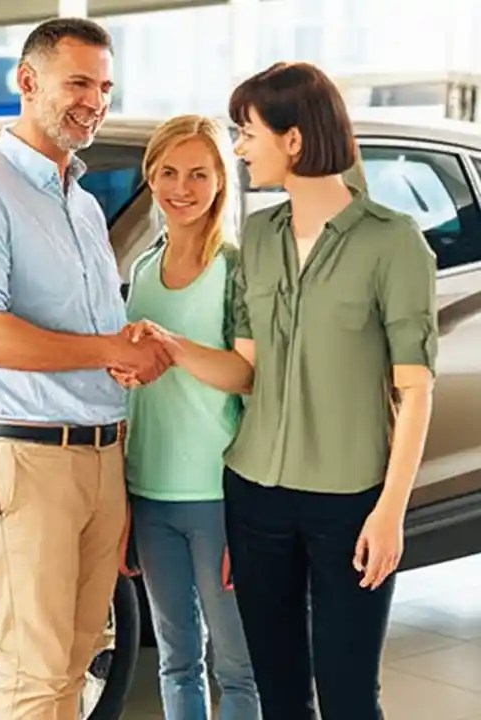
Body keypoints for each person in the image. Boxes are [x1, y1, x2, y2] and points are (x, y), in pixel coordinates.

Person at [135, 62, 437, 719]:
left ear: (293, 140)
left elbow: (414, 391)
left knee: (351, 693)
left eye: (246, 133)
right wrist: (166, 350)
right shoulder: (263, 241)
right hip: (254, 496)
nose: (239, 148)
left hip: (349, 498)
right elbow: (245, 368)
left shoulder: (394, 242)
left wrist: (390, 513)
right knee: (278, 691)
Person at [0, 17, 172, 720]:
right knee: (33, 669)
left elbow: (80, 333)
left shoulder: (84, 205)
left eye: (105, 86)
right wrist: (106, 351)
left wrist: (122, 343)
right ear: (28, 83)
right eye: (79, 83)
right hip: (28, 461)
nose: (95, 100)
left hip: (98, 456)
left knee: (77, 657)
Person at [111, 115, 260, 719]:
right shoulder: (143, 268)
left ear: (221, 180)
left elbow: (244, 376)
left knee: (239, 668)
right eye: (169, 172)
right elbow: (132, 392)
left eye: (199, 173)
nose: (182, 187)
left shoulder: (236, 268)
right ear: (151, 177)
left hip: (218, 496)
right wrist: (121, 498)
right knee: (175, 658)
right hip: (150, 493)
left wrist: (170, 344)